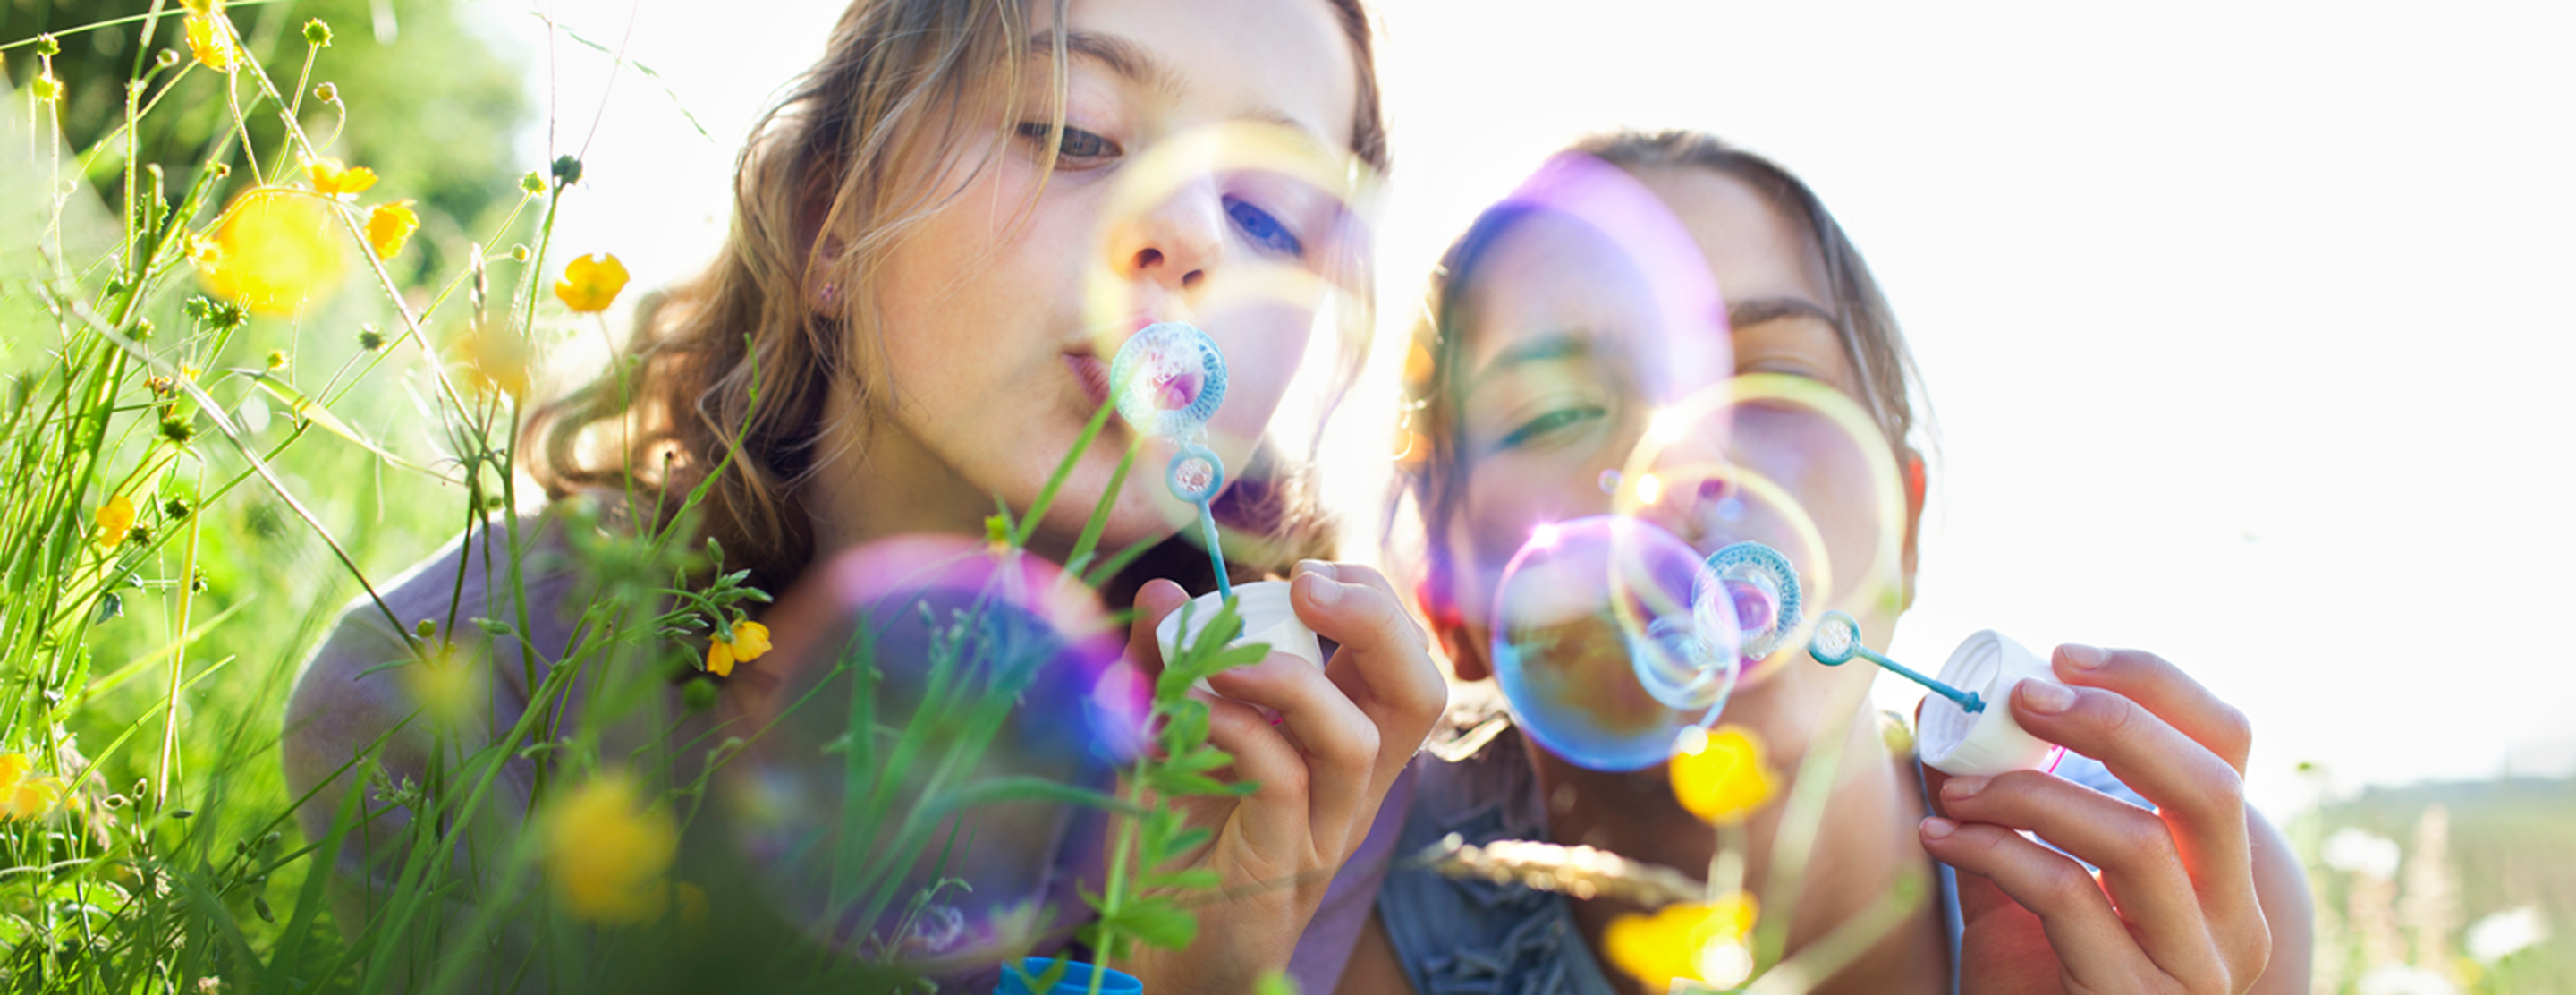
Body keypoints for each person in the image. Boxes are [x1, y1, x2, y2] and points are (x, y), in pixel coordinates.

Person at [282, 1, 1445, 991]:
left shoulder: (1305, 762)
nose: (1192, 236)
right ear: (828, 222)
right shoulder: (475, 683)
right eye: (1074, 130)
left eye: (1266, 217)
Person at [1335, 131, 2312, 994]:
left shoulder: (2171, 892)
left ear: (1907, 522)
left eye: (1772, 378)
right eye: (1556, 411)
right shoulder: (1344, 904)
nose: (1683, 466)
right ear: (1446, 594)